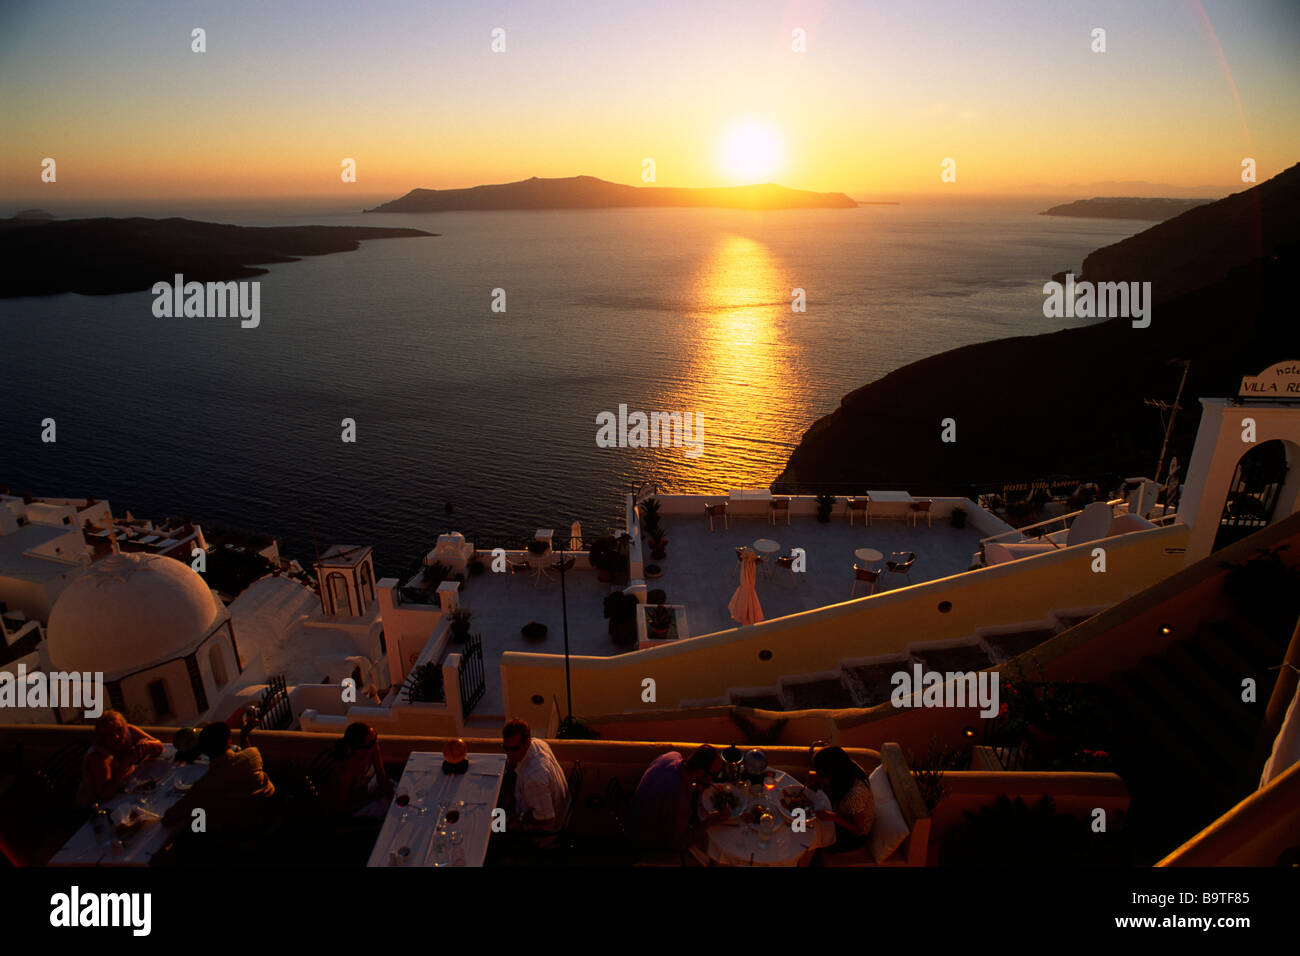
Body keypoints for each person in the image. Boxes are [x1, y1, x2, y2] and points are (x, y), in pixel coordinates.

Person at [162, 722, 276, 838]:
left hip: (240, 833)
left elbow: (169, 817)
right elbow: (245, 756)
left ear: (203, 751)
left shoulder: (204, 786)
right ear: (229, 741)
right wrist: (243, 737)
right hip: (269, 815)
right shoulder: (253, 755)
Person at [631, 744, 728, 851]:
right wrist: (710, 821)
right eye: (713, 775)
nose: (712, 780)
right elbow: (678, 843)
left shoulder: (672, 756)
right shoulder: (679, 797)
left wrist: (699, 785)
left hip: (638, 817)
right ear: (700, 771)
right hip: (650, 843)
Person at [77, 711, 164, 805]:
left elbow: (160, 747)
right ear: (101, 738)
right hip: (96, 807)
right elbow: (105, 794)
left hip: (128, 792)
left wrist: (147, 745)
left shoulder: (129, 732)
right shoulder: (99, 757)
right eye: (109, 735)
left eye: (119, 730)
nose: (117, 736)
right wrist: (126, 763)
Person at [500, 719, 568, 833]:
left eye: (514, 748)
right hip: (552, 806)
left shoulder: (534, 780)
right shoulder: (537, 743)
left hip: (545, 830)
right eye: (506, 748)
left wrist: (518, 818)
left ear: (526, 742)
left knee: (496, 828)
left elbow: (546, 818)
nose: (509, 754)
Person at [811, 746, 875, 853]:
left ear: (834, 774)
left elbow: (859, 830)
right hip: (841, 811)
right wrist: (817, 779)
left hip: (851, 837)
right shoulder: (849, 768)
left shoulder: (854, 795)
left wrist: (834, 817)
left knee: (811, 834)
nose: (819, 776)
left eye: (821, 774)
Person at [322, 722, 393, 817]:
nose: (376, 743)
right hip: (355, 810)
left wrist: (388, 793)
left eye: (376, 737)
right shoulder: (346, 769)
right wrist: (373, 796)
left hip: (368, 794)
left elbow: (381, 777)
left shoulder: (373, 749)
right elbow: (341, 808)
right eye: (371, 743)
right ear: (358, 749)